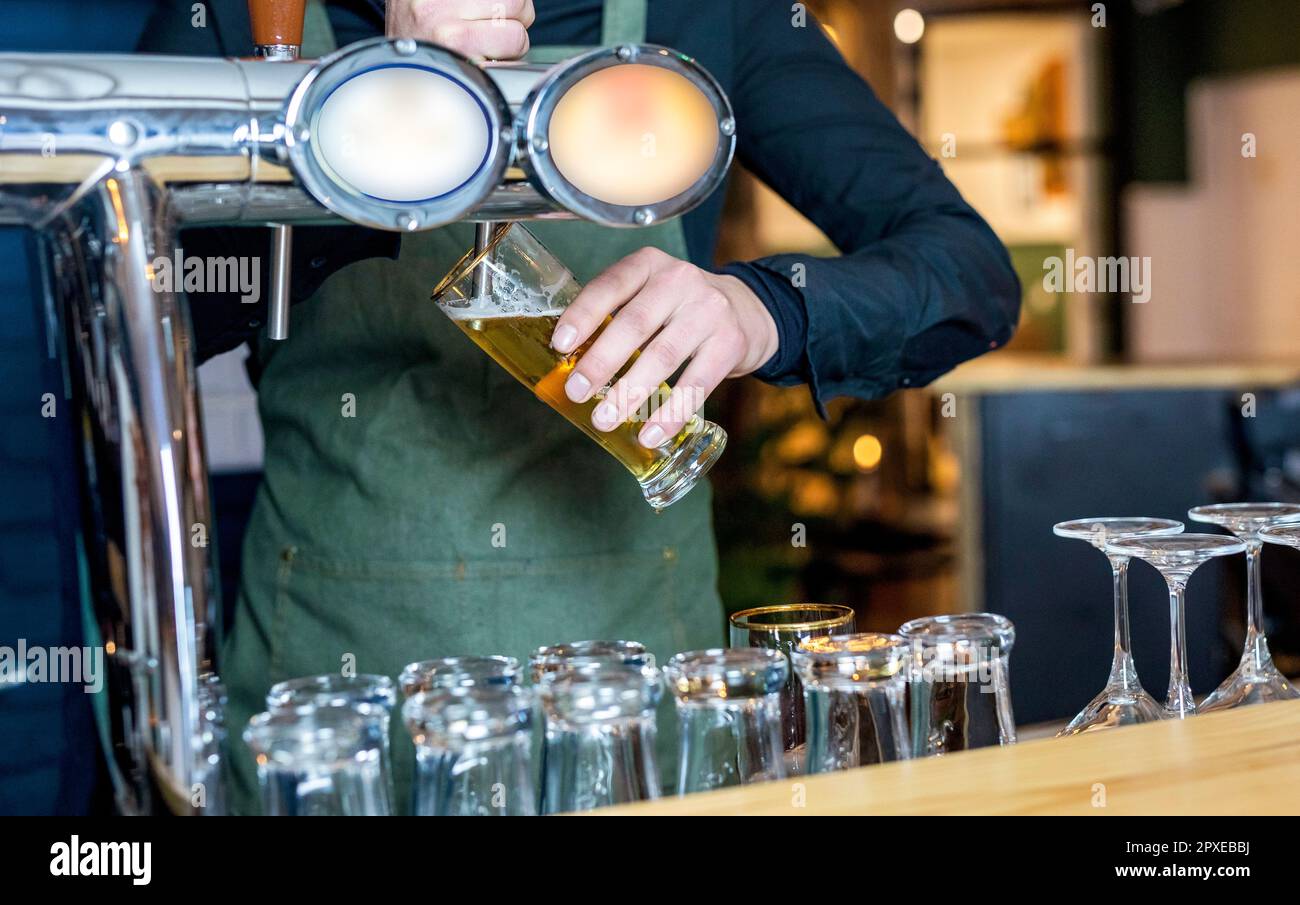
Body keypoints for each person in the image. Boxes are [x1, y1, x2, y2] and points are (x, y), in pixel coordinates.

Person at [140, 0, 1020, 812]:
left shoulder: (705, 12)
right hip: (334, 732)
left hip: (641, 734)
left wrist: (762, 309)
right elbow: (135, 298)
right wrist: (380, 115)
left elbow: (970, 273)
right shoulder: (256, 14)